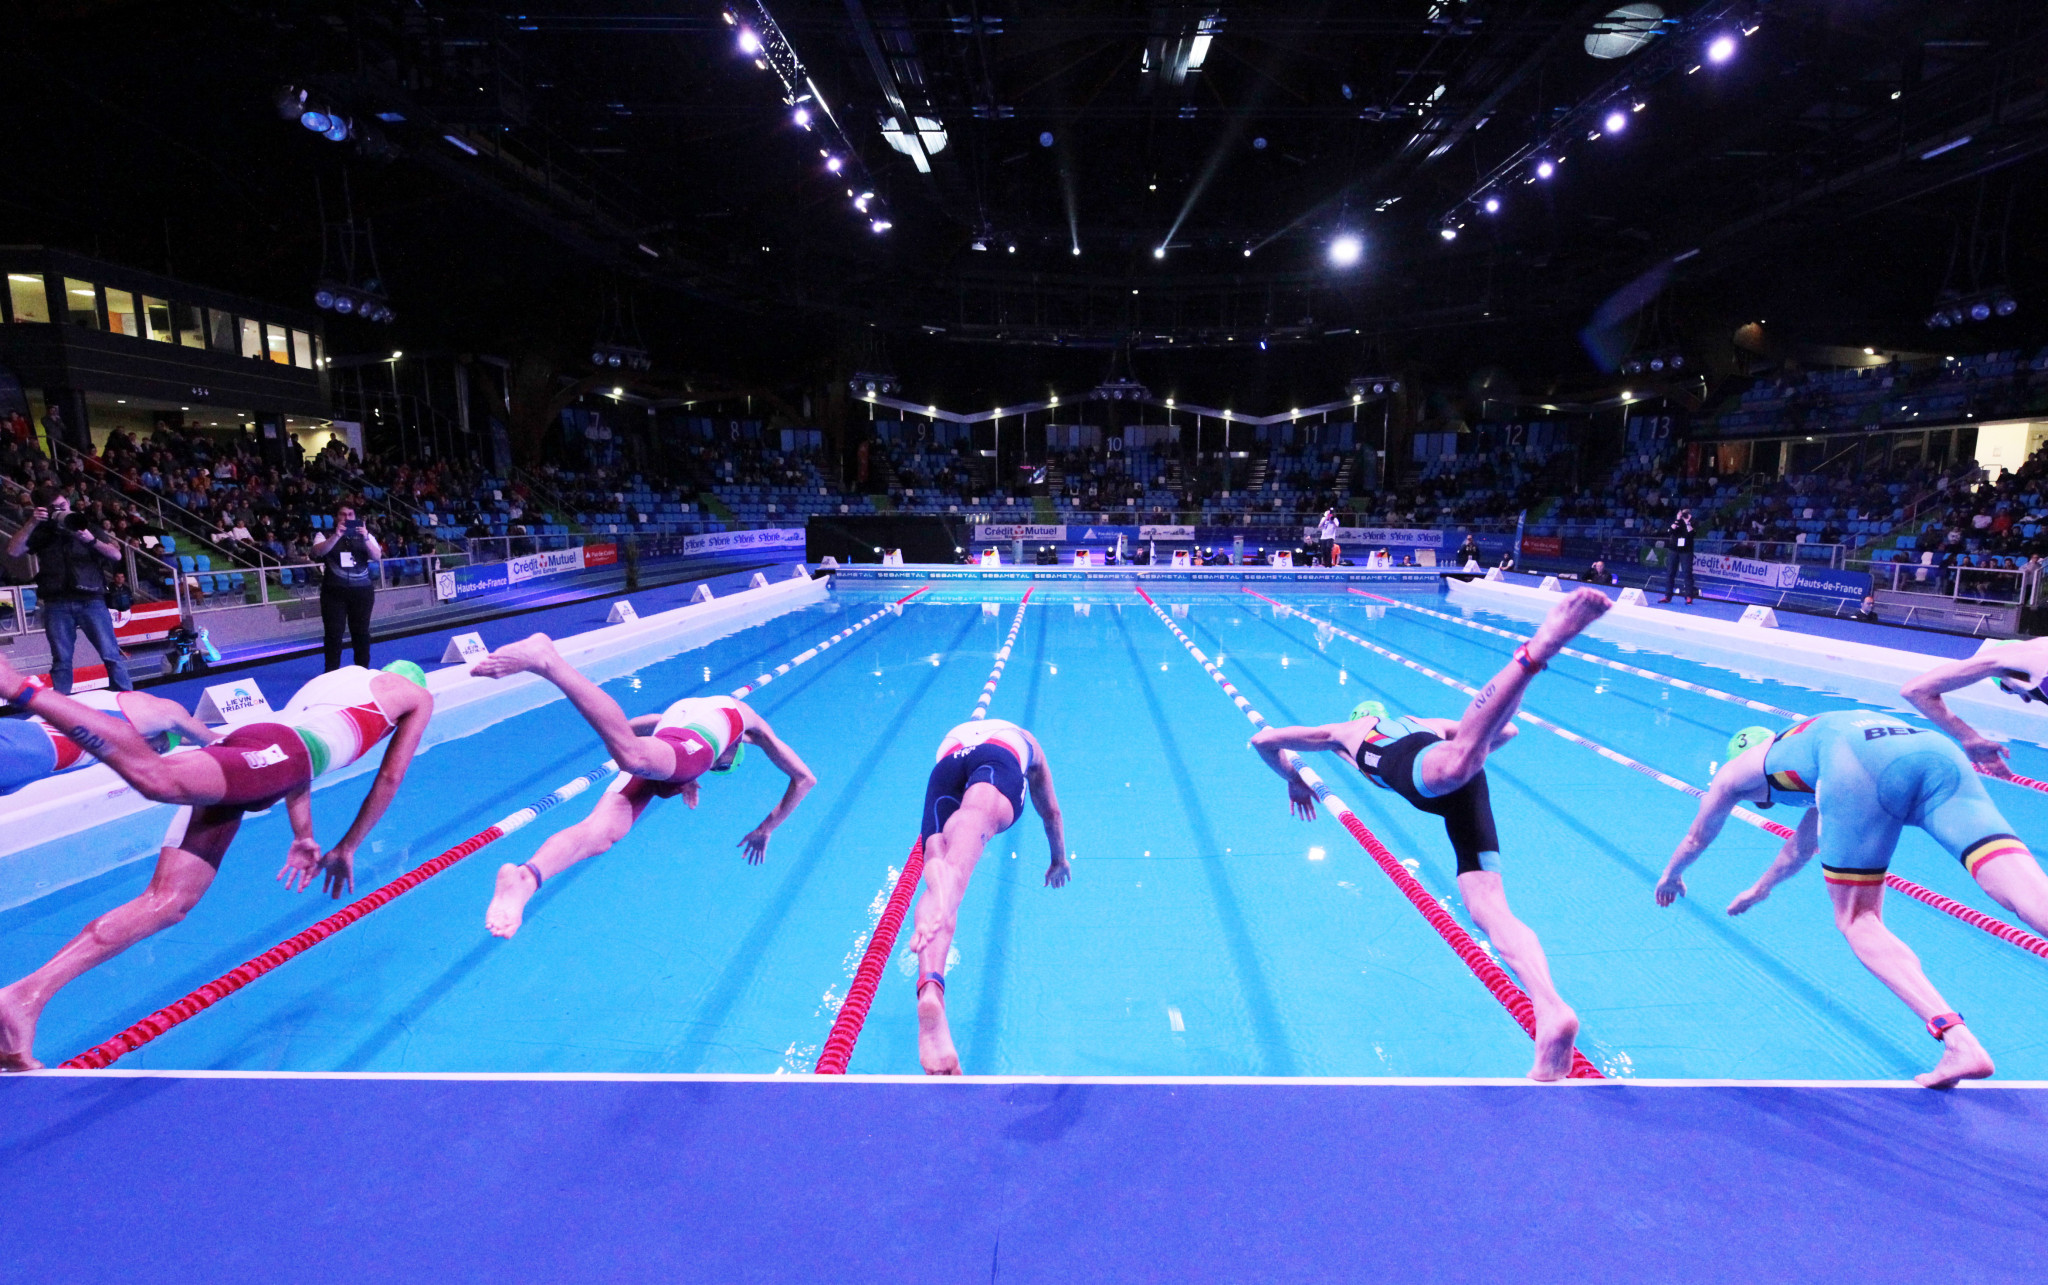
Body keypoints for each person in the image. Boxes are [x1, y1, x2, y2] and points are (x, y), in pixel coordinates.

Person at [0, 656, 434, 1071]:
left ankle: (24, 998)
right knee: (159, 780)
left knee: (168, 902)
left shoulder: (337, 680)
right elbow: (389, 776)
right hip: (274, 757)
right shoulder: (415, 695)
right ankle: (24, 690)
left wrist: (303, 833)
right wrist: (349, 845)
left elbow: (295, 749)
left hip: (268, 755)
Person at [1248, 588, 1614, 1080]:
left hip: (1424, 772)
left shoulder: (1345, 732)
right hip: (1462, 790)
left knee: (1462, 759)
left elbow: (1263, 740)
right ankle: (1550, 1009)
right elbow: (1506, 733)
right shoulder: (1422, 721)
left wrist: (1293, 777)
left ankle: (1535, 652)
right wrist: (1472, 740)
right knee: (1489, 906)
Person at [1655, 712, 2048, 1088]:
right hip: (1934, 750)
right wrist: (1761, 889)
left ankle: (1959, 1042)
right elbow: (1801, 846)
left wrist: (1671, 876)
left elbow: (1696, 838)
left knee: (1859, 920)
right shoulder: (1802, 753)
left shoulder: (1735, 773)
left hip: (1857, 758)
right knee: (2025, 887)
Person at [468, 633, 816, 939]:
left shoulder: (691, 717)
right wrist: (766, 828)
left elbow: (642, 725)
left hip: (670, 749)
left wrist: (684, 776)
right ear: (740, 745)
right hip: (676, 751)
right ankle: (547, 660)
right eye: (721, 766)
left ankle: (526, 878)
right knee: (633, 756)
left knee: (602, 832)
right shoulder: (750, 727)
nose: (715, 768)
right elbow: (804, 778)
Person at [910, 717, 1067, 1074]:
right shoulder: (1027, 743)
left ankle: (929, 985)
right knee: (971, 827)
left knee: (940, 861)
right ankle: (948, 883)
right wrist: (1058, 858)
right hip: (998, 761)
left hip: (947, 765)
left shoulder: (958, 734)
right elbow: (1052, 813)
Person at [7, 490, 133, 693]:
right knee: (61, 660)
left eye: (63, 506)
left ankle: (127, 698)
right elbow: (13, 551)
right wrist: (32, 523)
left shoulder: (87, 526)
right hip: (57, 603)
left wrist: (90, 539)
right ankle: (62, 706)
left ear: (69, 503)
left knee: (110, 654)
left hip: (91, 600)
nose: (61, 511)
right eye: (55, 509)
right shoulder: (43, 531)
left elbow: (116, 555)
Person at [0, 687, 216, 794]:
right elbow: (211, 740)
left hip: (26, 752)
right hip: (27, 747)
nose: (154, 754)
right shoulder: (153, 710)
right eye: (159, 748)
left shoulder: (119, 725)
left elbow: (183, 737)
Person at [1898, 640, 2048, 779]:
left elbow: (1915, 690)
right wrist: (1970, 738)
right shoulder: (2031, 655)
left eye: (2009, 690)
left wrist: (1968, 737)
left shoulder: (2011, 664)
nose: (2025, 699)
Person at [311, 504, 382, 672]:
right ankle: (331, 673)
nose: (346, 518)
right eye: (342, 514)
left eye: (350, 514)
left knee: (361, 633)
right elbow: (318, 552)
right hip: (334, 592)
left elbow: (377, 556)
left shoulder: (367, 535)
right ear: (337, 517)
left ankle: (362, 671)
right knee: (334, 634)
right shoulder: (324, 534)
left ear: (355, 517)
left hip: (362, 592)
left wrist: (365, 537)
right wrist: (336, 535)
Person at [1661, 507, 1697, 604]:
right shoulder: (1676, 522)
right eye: (1682, 513)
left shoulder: (1692, 522)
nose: (1684, 515)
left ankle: (1689, 596)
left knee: (1687, 574)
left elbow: (1692, 534)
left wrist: (1687, 522)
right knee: (1670, 573)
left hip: (1686, 552)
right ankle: (1667, 596)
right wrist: (1677, 519)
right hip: (1673, 550)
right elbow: (1670, 531)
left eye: (1686, 513)